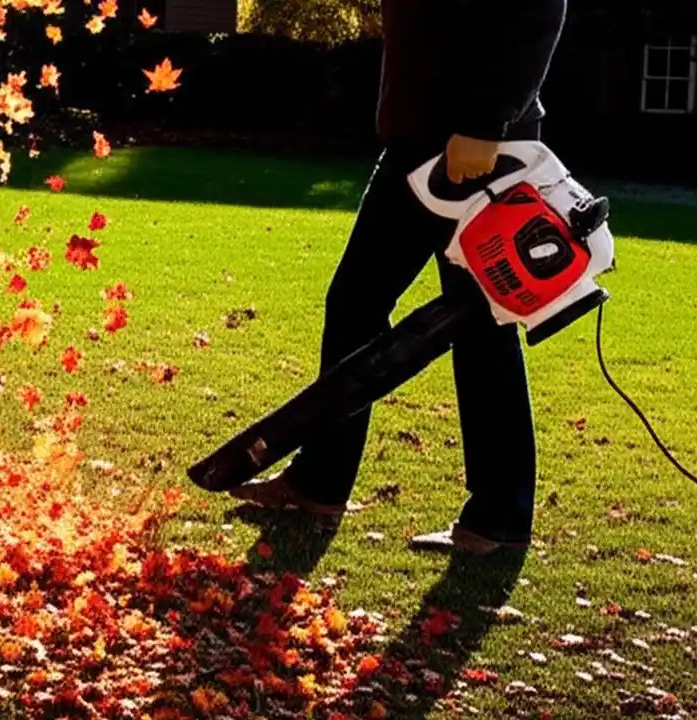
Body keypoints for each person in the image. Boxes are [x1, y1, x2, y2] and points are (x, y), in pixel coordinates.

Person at [230, 0, 568, 555]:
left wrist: (486, 122)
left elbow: (537, 10)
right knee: (396, 311)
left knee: (454, 319)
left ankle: (492, 516)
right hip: (423, 140)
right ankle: (331, 485)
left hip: (471, 145)